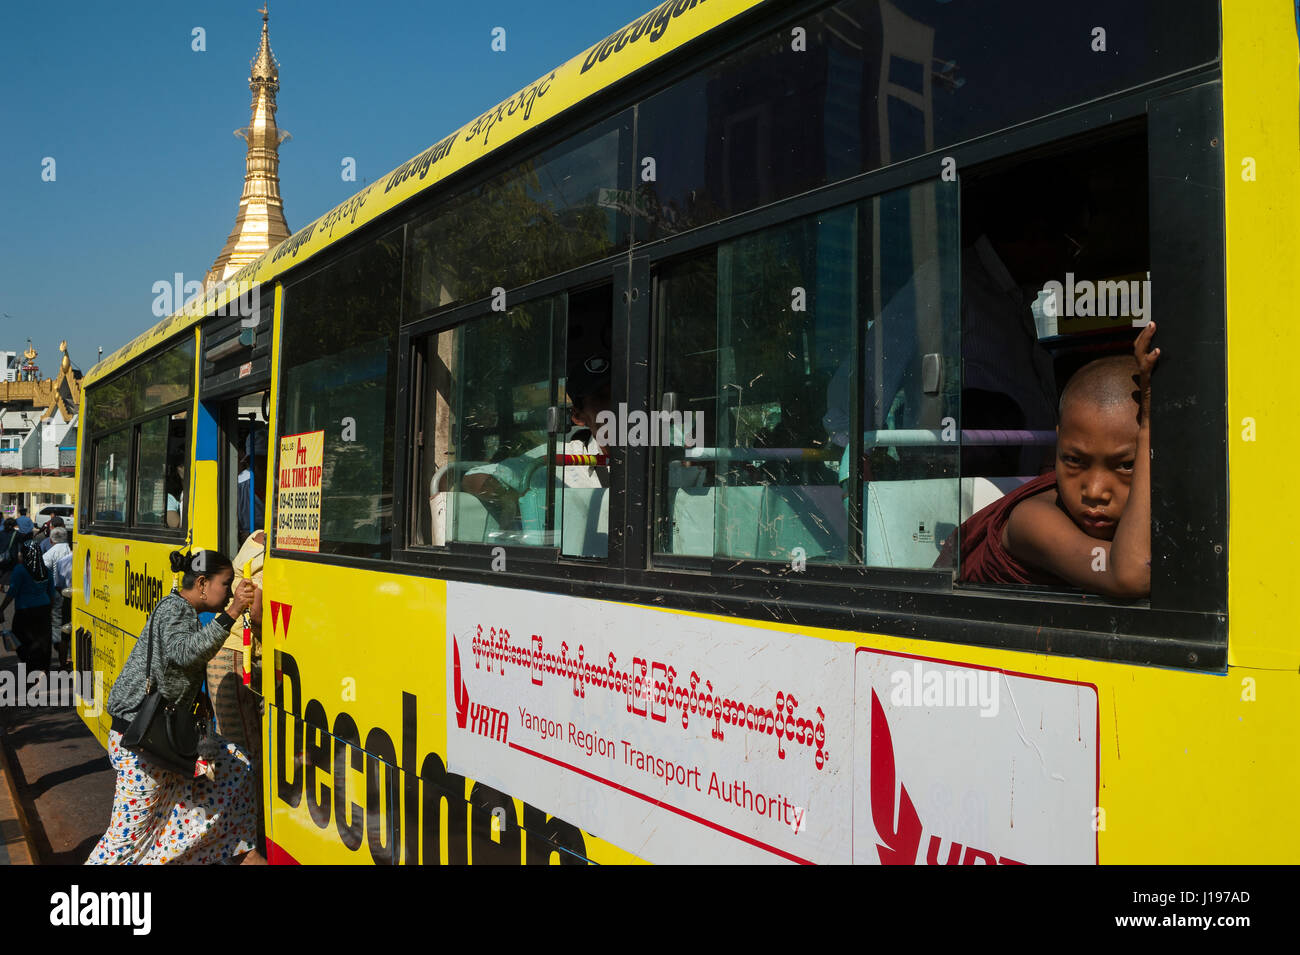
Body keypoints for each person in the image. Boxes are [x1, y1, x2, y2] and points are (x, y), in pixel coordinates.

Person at [954, 322, 1158, 597]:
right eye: (1074, 460)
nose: (1095, 491)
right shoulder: (1032, 521)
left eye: (1126, 465)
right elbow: (1131, 573)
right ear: (1057, 447)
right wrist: (1147, 431)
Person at [87, 550, 260, 865]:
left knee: (234, 767)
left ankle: (229, 849)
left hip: (161, 739)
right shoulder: (175, 610)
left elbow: (176, 665)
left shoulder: (182, 610)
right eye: (226, 584)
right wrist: (233, 611)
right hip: (141, 742)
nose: (229, 591)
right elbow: (185, 653)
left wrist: (197, 698)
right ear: (203, 583)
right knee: (125, 842)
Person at [0, 541, 55, 670]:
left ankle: (29, 663)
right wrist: (50, 611)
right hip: (44, 607)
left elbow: (12, 591)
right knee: (43, 638)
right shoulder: (46, 570)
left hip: (25, 610)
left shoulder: (20, 570)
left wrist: (2, 608)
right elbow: (51, 592)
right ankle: (42, 666)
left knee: (21, 636)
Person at [43, 526, 72, 668]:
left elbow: (41, 570)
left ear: (51, 539)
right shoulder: (73, 550)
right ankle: (71, 655)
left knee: (57, 624)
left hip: (59, 592)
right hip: (77, 594)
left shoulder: (51, 553)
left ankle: (62, 654)